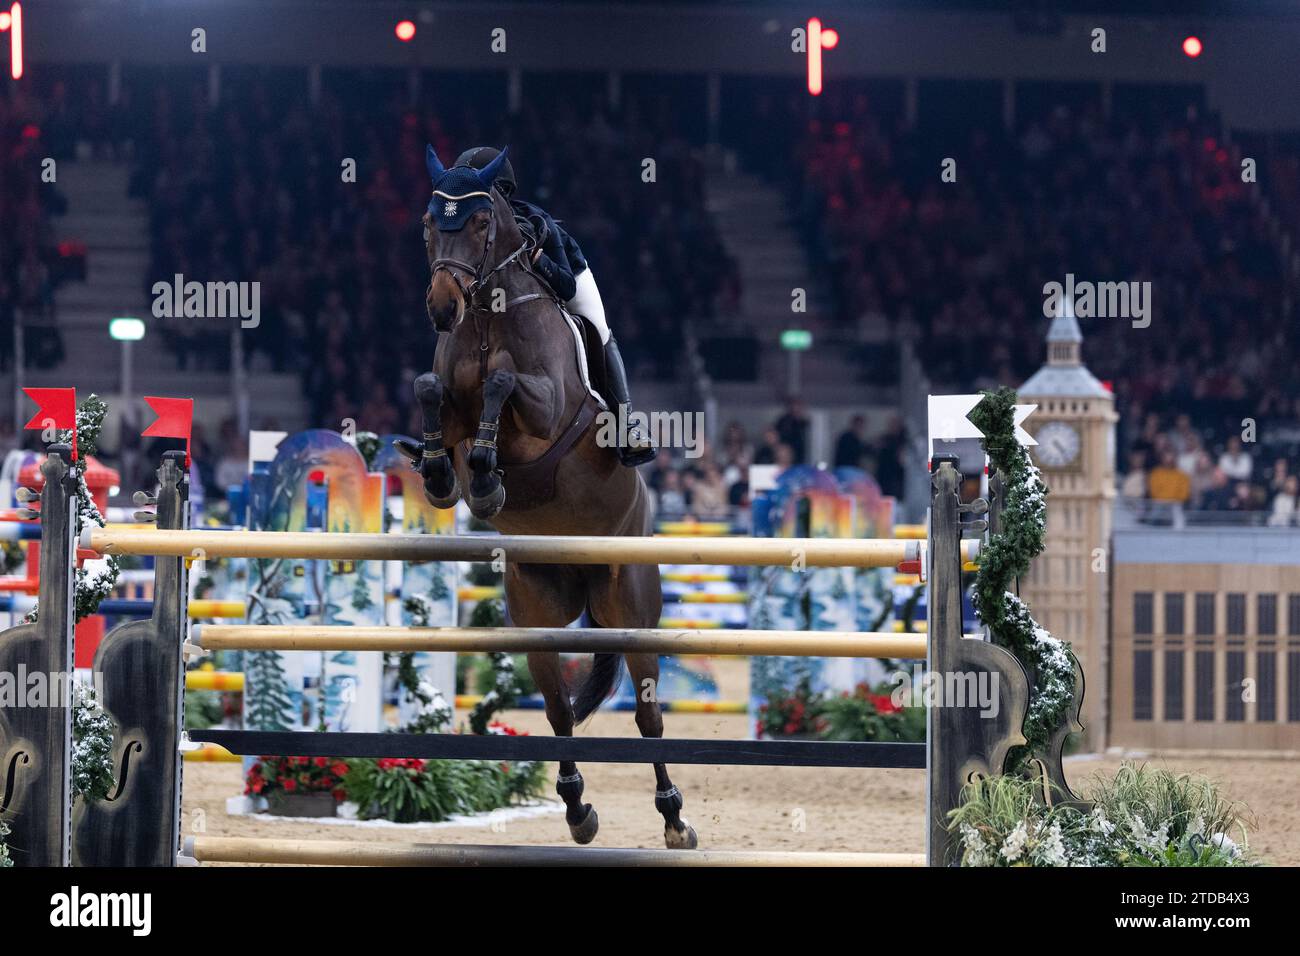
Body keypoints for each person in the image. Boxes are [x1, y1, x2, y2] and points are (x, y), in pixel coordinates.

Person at [453, 146, 654, 467]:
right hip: (509, 306)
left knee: (599, 330)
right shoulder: (471, 231)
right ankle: (441, 439)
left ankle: (626, 423)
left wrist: (540, 261)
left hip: (569, 273)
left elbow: (566, 285)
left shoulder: (537, 221)